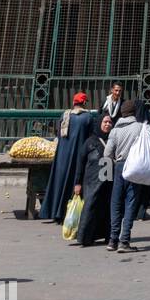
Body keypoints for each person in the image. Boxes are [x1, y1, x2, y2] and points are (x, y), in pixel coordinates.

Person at [40, 93, 94, 223]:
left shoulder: (65, 115)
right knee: (73, 181)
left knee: (58, 181)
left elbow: (59, 133)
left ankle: (53, 211)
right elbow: (90, 137)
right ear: (84, 103)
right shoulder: (88, 117)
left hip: (62, 155)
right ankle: (66, 212)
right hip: (77, 155)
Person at [103, 100, 145, 252]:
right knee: (130, 204)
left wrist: (107, 173)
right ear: (134, 112)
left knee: (115, 203)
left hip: (118, 166)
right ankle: (124, 241)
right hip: (134, 167)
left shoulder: (114, 130)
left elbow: (106, 154)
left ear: (122, 113)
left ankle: (112, 240)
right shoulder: (141, 128)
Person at [71, 113, 114, 247]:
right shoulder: (90, 141)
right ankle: (85, 237)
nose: (107, 124)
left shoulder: (113, 140)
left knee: (106, 209)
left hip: (108, 179)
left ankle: (107, 236)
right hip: (92, 180)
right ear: (99, 123)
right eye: (105, 122)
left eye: (109, 122)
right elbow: (80, 162)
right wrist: (77, 182)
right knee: (90, 206)